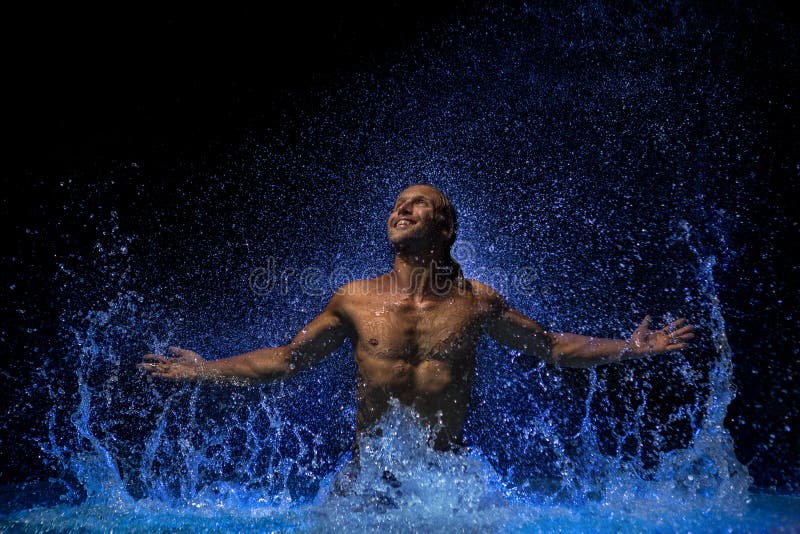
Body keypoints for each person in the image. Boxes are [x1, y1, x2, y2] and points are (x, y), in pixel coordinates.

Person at [139, 184, 694, 487]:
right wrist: (202, 369)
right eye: (397, 203)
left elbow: (551, 346)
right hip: (367, 482)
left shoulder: (477, 302)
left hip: (445, 484)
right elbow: (286, 359)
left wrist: (630, 347)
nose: (401, 208)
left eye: (418, 202)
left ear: (445, 227)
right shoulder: (354, 299)